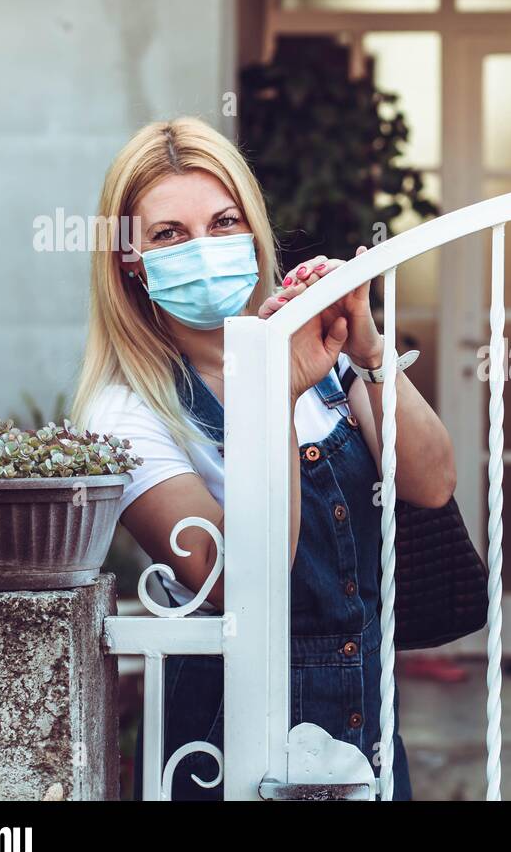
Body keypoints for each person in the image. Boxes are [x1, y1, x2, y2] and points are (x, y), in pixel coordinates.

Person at [72, 117, 456, 799]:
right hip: (224, 742)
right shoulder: (126, 414)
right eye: (169, 234)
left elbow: (431, 483)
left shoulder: (321, 354)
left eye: (224, 223)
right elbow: (239, 580)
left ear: (253, 230)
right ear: (130, 259)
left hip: (362, 726)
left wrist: (368, 351)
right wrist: (275, 393)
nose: (204, 248)